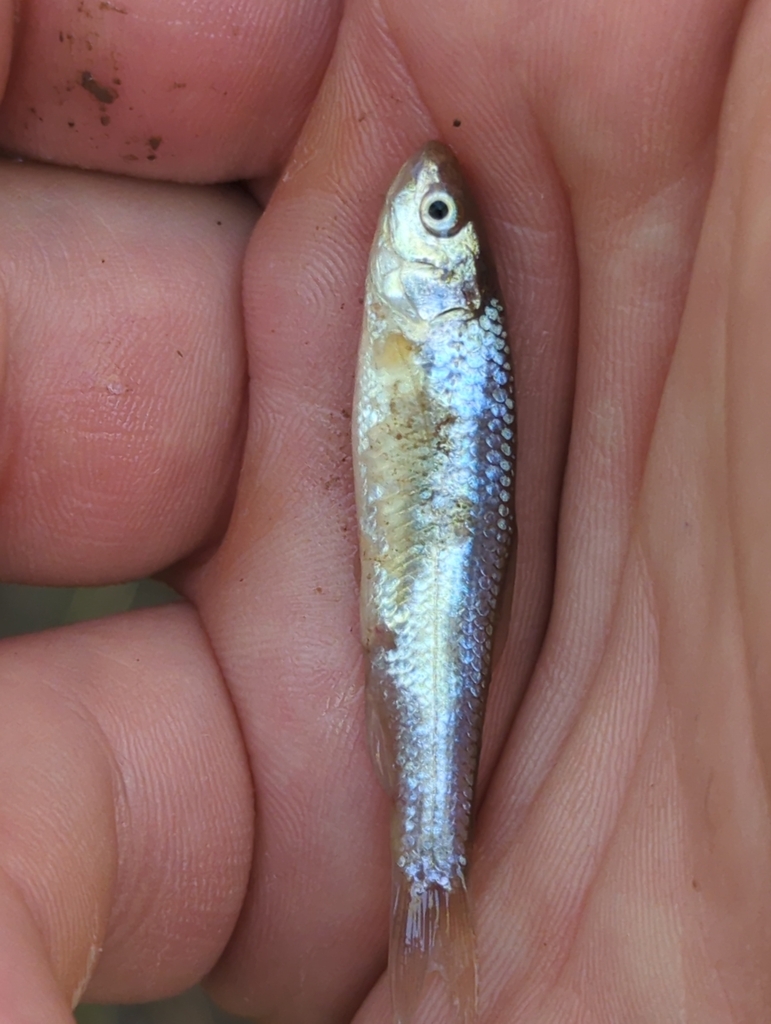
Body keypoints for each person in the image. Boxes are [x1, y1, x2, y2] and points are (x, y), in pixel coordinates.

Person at [0, 0, 766, 1020]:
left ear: (450, 282)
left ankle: (432, 874)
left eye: (434, 218)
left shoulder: (444, 328)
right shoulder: (439, 327)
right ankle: (432, 885)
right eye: (439, 216)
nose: (420, 205)